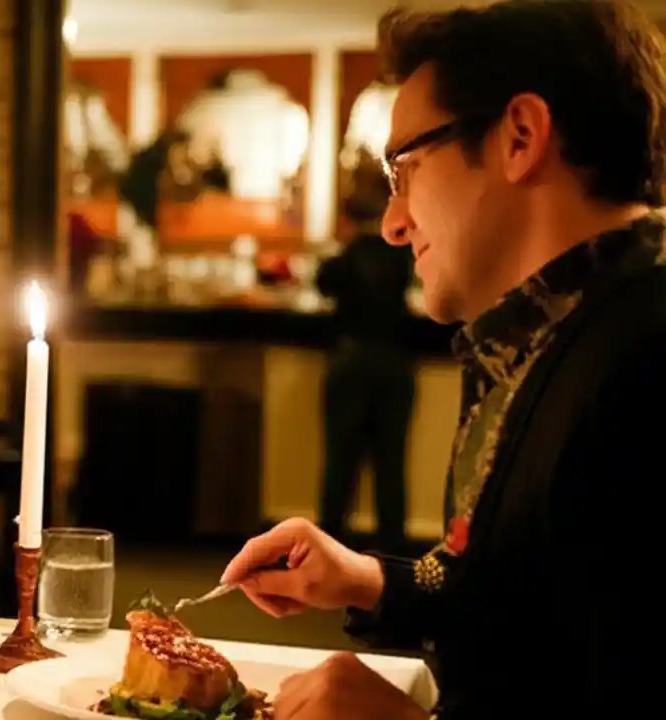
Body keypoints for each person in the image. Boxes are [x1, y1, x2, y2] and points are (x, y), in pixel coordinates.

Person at [221, 2, 666, 718]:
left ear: (520, 136)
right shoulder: (531, 336)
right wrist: (367, 579)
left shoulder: (644, 359)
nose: (395, 222)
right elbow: (523, 608)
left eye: (407, 167)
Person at [315, 162, 415, 554]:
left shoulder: (351, 252)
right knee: (391, 466)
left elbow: (323, 282)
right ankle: (394, 554)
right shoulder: (402, 255)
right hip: (394, 363)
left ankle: (327, 548)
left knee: (340, 464)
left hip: (351, 361)